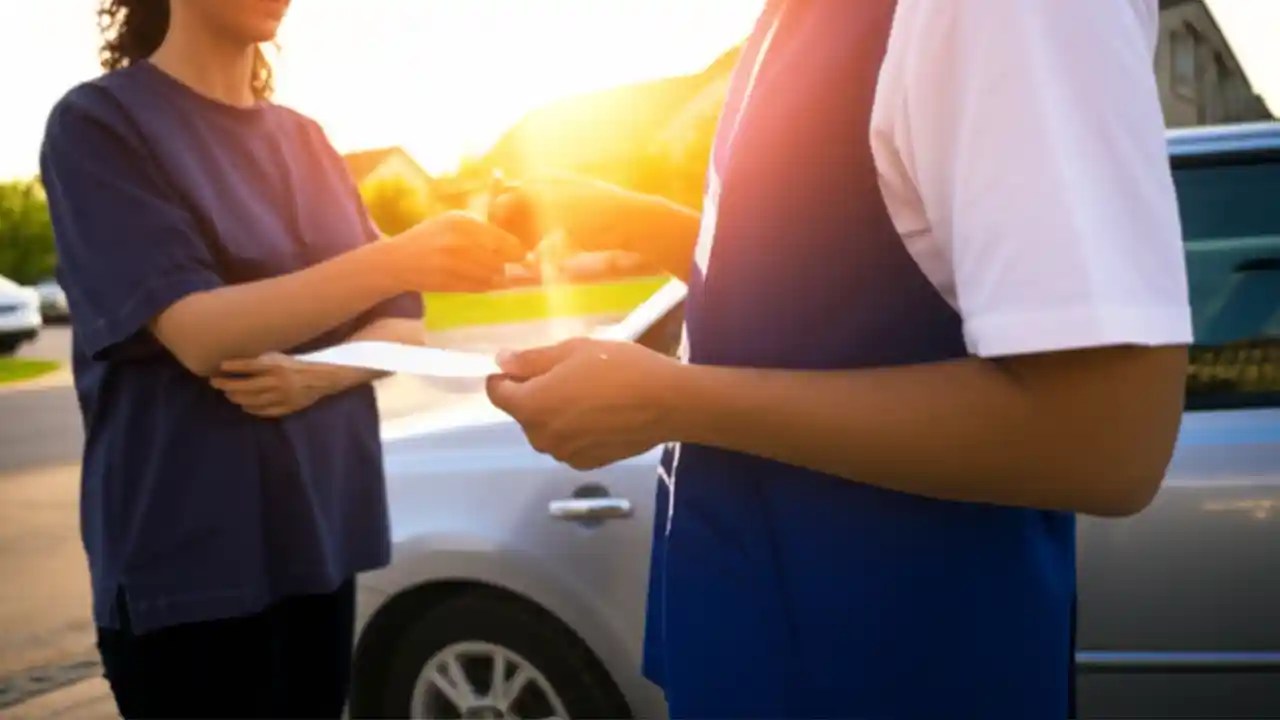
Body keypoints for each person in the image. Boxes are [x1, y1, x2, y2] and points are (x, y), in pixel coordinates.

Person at [487, 0, 1191, 717]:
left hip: (899, 675)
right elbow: (831, 289)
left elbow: (1107, 435)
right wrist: (629, 220)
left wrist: (673, 402)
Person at [40, 1, 522, 717]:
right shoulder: (97, 125)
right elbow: (199, 332)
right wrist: (397, 258)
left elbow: (402, 325)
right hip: (190, 567)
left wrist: (321, 373)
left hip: (319, 541)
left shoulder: (305, 141)